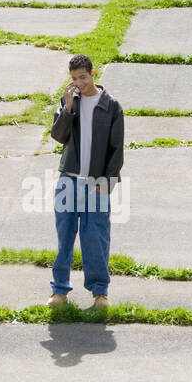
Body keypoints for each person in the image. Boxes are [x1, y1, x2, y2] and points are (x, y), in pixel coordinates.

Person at [48, 53, 124, 310]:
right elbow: (59, 136)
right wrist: (68, 109)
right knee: (64, 237)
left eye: (83, 77)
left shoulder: (111, 106)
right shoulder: (69, 101)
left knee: (96, 238)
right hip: (67, 180)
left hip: (97, 183)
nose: (78, 83)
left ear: (93, 74)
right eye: (74, 79)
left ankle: (100, 292)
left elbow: (117, 150)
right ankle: (59, 290)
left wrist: (108, 182)